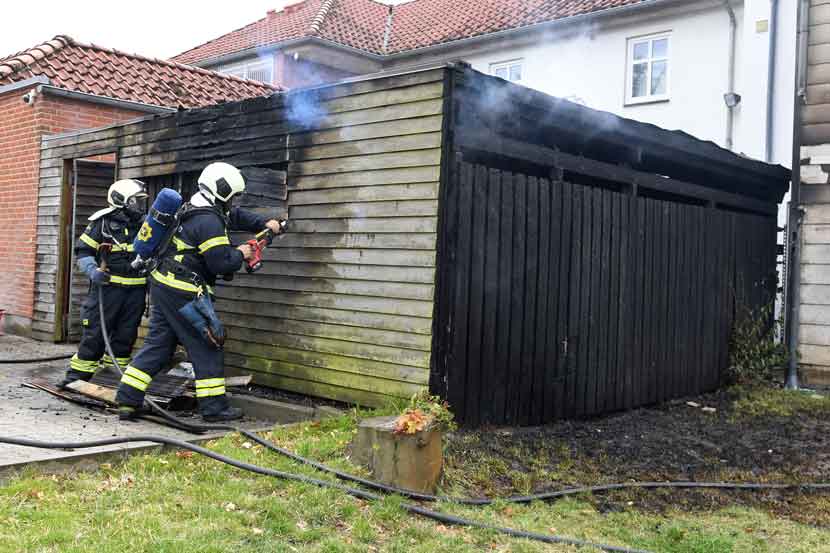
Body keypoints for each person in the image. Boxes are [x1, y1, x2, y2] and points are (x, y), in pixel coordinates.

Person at [115, 162, 283, 422]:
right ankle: (214, 409)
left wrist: (265, 223)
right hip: (184, 292)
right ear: (223, 191)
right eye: (234, 195)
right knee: (208, 344)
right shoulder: (208, 221)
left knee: (159, 346)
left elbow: (235, 216)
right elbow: (221, 263)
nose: (235, 200)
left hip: (164, 285)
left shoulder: (198, 207)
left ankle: (127, 400)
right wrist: (240, 252)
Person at [61, 179, 149, 388]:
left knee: (126, 336)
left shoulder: (146, 224)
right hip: (108, 290)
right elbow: (83, 251)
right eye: (135, 201)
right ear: (122, 201)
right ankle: (77, 378)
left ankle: (112, 377)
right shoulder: (102, 223)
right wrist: (93, 271)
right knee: (95, 334)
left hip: (136, 291)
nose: (140, 205)